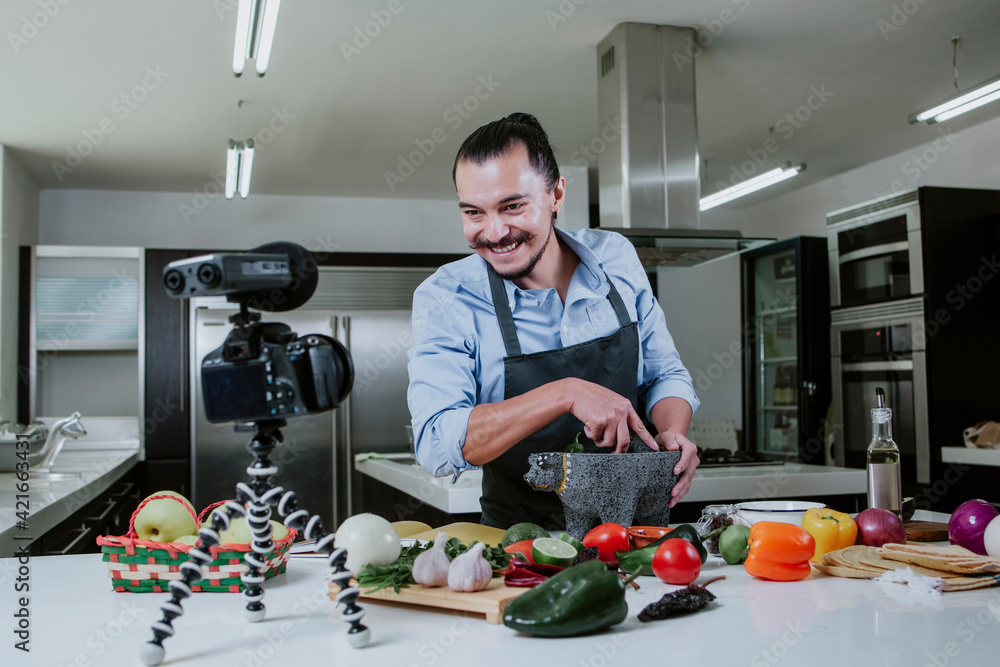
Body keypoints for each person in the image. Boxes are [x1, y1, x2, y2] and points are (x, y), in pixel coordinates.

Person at [406, 112, 700, 530]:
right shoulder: (447, 298)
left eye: (512, 206)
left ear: (556, 194)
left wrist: (673, 433)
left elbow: (664, 375)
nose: (493, 233)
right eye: (473, 213)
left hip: (633, 532)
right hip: (519, 546)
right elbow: (436, 442)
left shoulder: (615, 258)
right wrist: (565, 393)